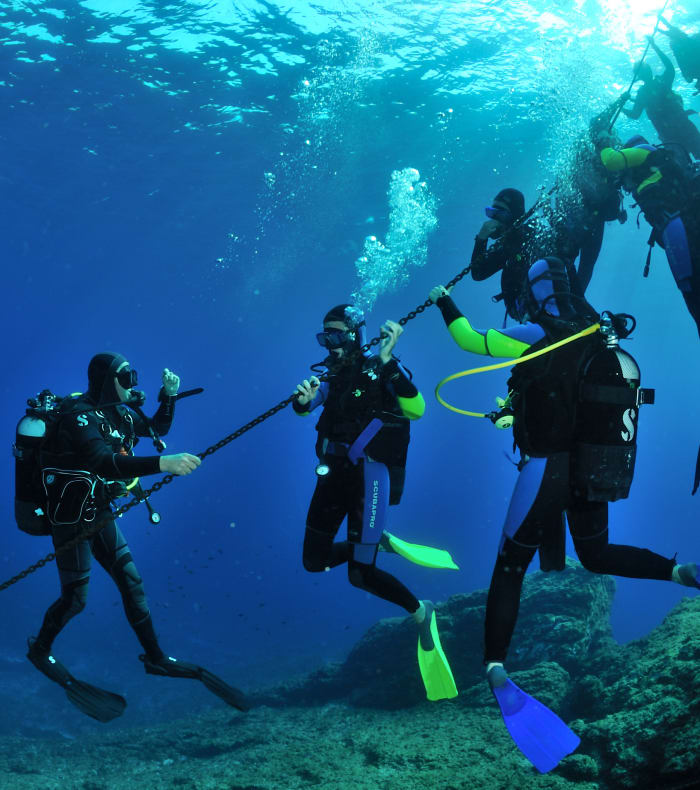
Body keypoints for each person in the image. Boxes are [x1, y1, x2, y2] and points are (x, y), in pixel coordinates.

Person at [428, 259, 700, 771]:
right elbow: (565, 399)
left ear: (534, 292)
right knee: (595, 554)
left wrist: (443, 298)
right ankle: (681, 571)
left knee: (510, 565)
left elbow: (467, 339)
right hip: (593, 468)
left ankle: (495, 669)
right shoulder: (599, 336)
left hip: (546, 472)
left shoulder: (539, 331)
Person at [27, 352, 246, 721]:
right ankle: (40, 649)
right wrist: (163, 463)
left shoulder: (120, 412)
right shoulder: (77, 416)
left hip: (99, 510)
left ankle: (157, 658)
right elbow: (103, 462)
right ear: (105, 380)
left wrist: (170, 396)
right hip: (70, 517)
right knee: (76, 598)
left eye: (134, 377)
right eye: (126, 378)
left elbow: (158, 427)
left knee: (132, 583)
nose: (133, 384)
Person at [292, 304, 457, 702]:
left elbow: (416, 408)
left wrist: (387, 363)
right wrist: (303, 399)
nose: (328, 344)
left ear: (354, 334)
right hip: (332, 476)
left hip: (369, 479)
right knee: (313, 560)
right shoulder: (333, 377)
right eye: (323, 337)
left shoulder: (382, 366)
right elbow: (307, 407)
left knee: (360, 575)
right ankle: (374, 541)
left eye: (335, 335)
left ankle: (421, 611)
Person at [596, 134, 700, 337]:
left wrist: (604, 144)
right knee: (693, 297)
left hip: (681, 229)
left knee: (694, 292)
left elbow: (611, 160)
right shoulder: (654, 167)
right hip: (677, 231)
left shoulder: (645, 150)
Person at [470, 188, 556, 320]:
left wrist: (549, 213)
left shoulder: (534, 233)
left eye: (500, 214)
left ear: (514, 217)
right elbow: (478, 273)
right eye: (491, 213)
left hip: (547, 314)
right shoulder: (505, 247)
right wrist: (481, 240)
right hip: (528, 318)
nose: (494, 219)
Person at [622, 37, 700, 158]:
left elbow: (634, 114)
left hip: (673, 133)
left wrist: (622, 106)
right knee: (684, 164)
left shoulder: (651, 88)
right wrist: (654, 46)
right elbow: (670, 68)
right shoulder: (657, 85)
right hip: (677, 131)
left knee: (683, 166)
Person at [658, 16, 700, 95]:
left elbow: (680, 62)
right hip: (689, 47)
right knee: (683, 41)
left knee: (682, 41)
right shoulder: (691, 75)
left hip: (686, 48)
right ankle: (668, 28)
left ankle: (668, 28)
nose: (696, 86)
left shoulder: (690, 75)